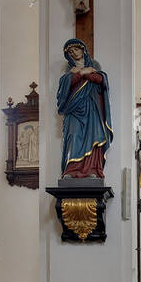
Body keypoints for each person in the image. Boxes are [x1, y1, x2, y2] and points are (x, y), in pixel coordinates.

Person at [55, 37, 111, 179]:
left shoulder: (94, 68)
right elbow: (63, 91)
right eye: (71, 52)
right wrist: (81, 73)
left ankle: (92, 169)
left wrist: (86, 73)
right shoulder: (68, 74)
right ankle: (71, 170)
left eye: (76, 49)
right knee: (73, 136)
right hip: (74, 110)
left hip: (92, 109)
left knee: (94, 136)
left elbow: (102, 81)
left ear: (83, 50)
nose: (74, 53)